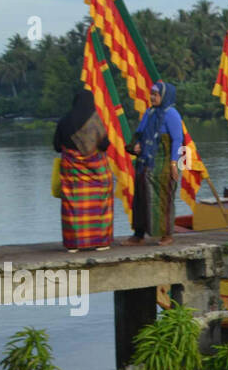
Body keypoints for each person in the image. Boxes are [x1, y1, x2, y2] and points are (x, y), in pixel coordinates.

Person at [53, 89, 114, 252]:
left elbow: (57, 146)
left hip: (72, 173)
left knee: (72, 204)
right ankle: (101, 242)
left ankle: (73, 244)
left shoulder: (63, 121)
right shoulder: (95, 121)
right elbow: (104, 145)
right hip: (96, 173)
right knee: (99, 202)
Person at [127, 81, 183, 246]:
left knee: (163, 199)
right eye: (151, 94)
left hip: (164, 164)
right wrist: (136, 145)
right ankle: (138, 234)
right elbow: (140, 132)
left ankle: (166, 234)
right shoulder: (150, 112)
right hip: (146, 163)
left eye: (156, 94)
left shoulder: (171, 113)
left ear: (164, 96)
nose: (152, 97)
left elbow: (178, 139)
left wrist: (174, 164)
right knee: (141, 198)